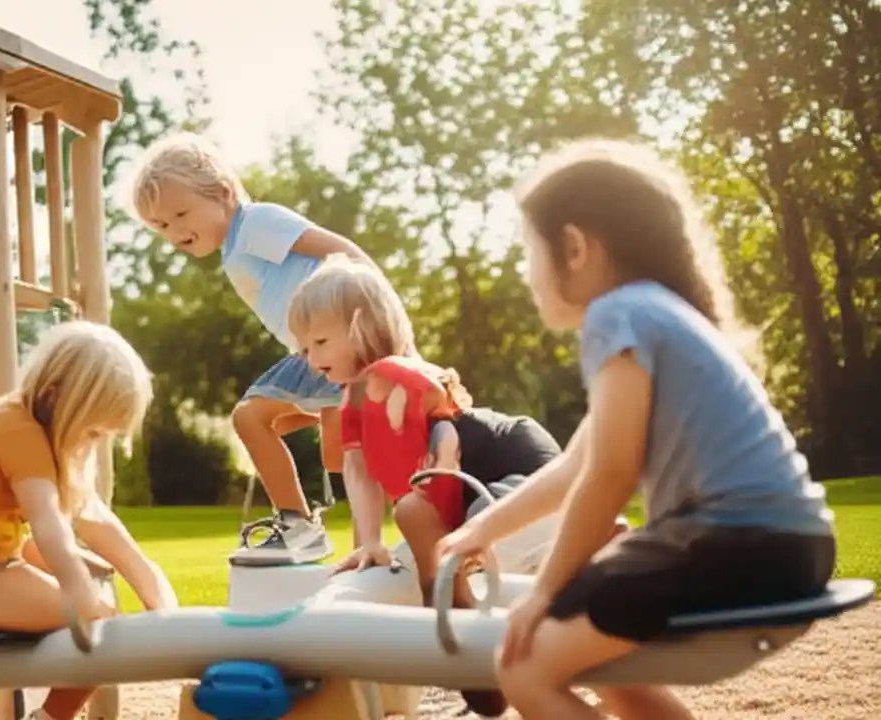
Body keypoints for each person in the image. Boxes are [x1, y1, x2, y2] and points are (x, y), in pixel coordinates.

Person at [434, 139, 837, 720]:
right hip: (789, 543)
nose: (527, 274)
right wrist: (482, 531)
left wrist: (546, 591)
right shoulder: (656, 313)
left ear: (574, 247)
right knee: (595, 662)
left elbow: (610, 473)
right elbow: (576, 466)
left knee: (521, 665)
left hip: (736, 543)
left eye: (529, 251)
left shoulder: (616, 314)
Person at [288, 254, 566, 717]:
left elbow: (446, 444)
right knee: (489, 556)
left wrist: (442, 534)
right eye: (304, 349)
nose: (312, 360)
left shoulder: (404, 374)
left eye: (320, 341)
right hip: (475, 498)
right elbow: (357, 469)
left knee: (473, 533)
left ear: (362, 327)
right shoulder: (354, 398)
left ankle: (449, 583)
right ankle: (484, 652)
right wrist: (371, 541)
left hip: (515, 472)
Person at [0, 321, 178, 720]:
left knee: (95, 602)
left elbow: (92, 517)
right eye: (91, 432)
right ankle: (50, 717)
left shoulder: (24, 422)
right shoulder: (18, 431)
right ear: (54, 398)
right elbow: (49, 520)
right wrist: (76, 589)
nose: (91, 445)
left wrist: (149, 580)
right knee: (105, 632)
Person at [129, 132, 376, 566]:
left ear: (223, 192)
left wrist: (375, 314)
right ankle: (331, 539)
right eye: (161, 226)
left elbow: (343, 250)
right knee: (296, 434)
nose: (175, 232)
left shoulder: (255, 223)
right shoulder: (234, 247)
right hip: (317, 355)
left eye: (181, 213)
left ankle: (327, 536)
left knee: (281, 426)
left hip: (336, 346)